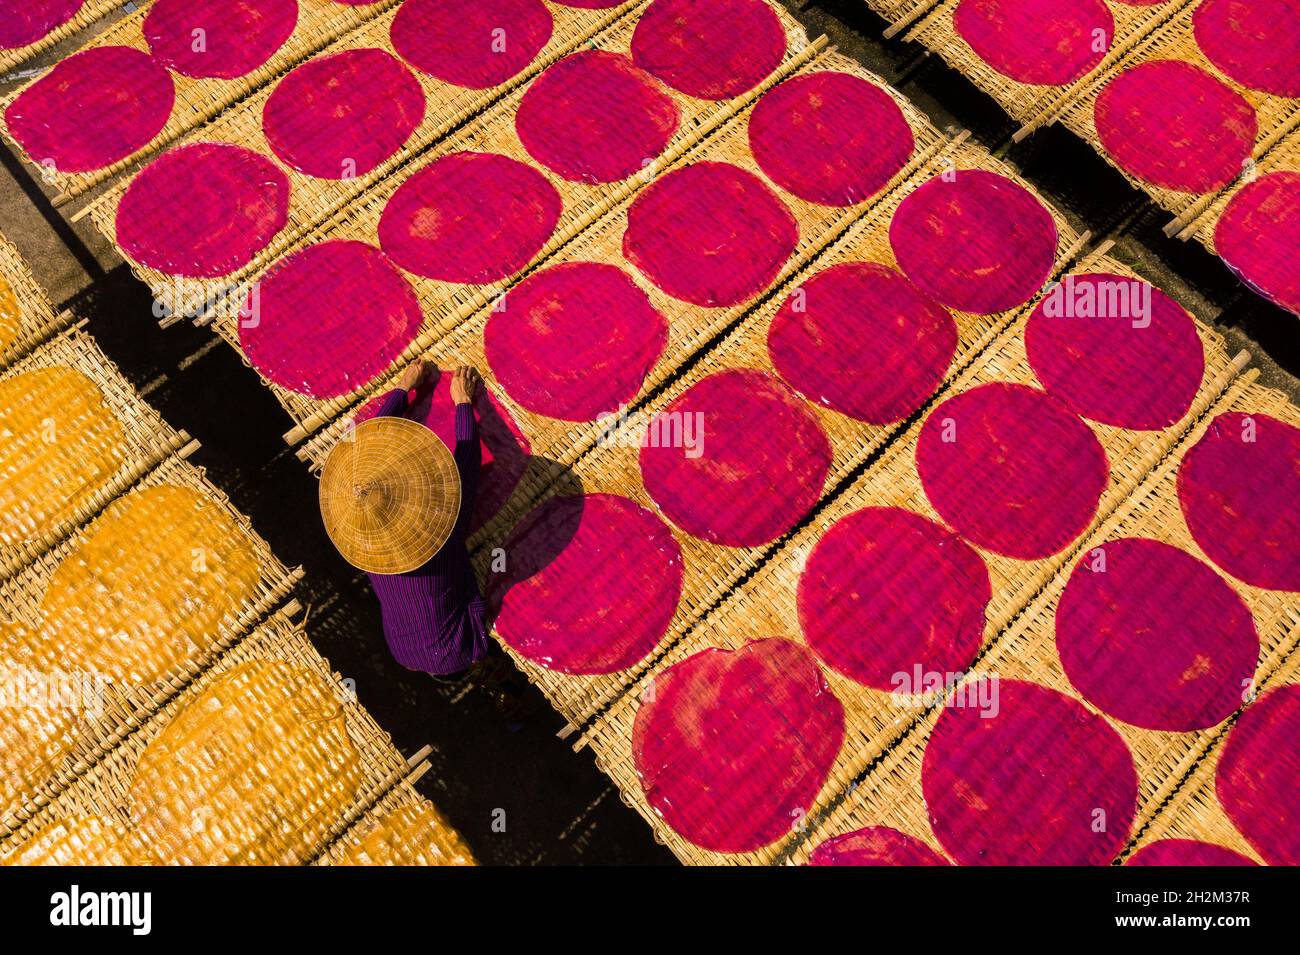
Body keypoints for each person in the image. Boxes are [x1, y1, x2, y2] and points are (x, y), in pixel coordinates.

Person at [364, 363, 491, 681]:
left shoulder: (441, 537)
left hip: (434, 561)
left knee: (458, 487)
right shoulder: (401, 655)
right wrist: (405, 385)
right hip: (378, 559)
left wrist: (463, 401)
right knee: (369, 459)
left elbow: (467, 463)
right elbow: (372, 440)